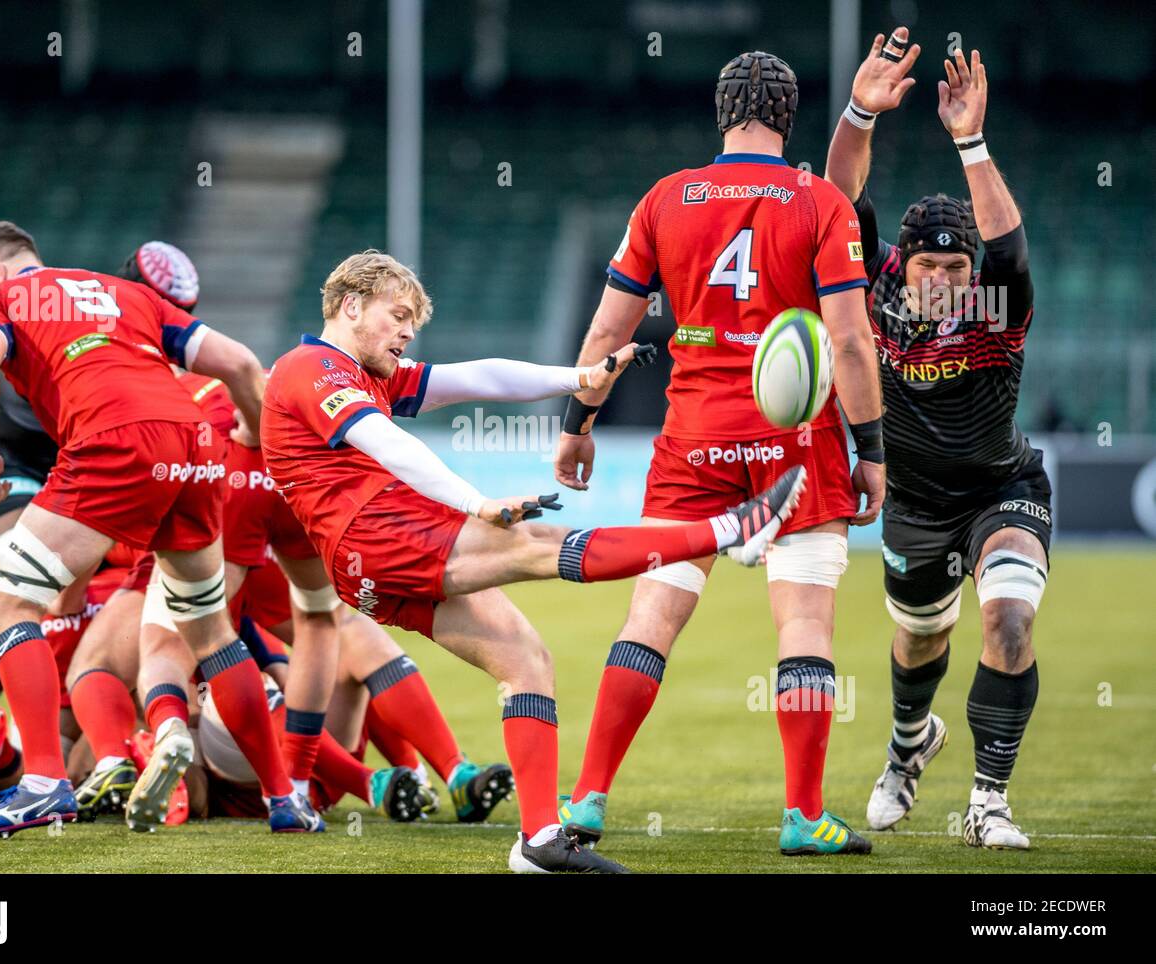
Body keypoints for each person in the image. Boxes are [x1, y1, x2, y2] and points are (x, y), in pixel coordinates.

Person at [261, 250, 806, 872]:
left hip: (364, 557)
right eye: (399, 315)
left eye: (414, 320)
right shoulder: (313, 366)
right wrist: (477, 503)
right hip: (373, 532)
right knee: (539, 545)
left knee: (526, 658)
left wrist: (581, 377)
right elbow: (385, 442)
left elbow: (480, 378)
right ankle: (728, 529)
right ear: (351, 306)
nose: (408, 331)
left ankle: (539, 841)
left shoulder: (367, 372)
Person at [552, 49, 886, 857]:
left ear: (721, 112)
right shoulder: (820, 201)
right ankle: (804, 816)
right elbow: (848, 341)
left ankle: (589, 798)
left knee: (653, 613)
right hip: (796, 444)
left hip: (693, 438)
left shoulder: (667, 198)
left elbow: (606, 333)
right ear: (789, 117)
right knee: (803, 620)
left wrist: (576, 421)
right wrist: (870, 447)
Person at [0, 221, 287, 837]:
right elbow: (240, 362)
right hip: (195, 448)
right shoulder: (123, 291)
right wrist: (257, 431)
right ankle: (286, 799)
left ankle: (46, 784)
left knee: (6, 602)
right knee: (209, 632)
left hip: (115, 444)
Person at [824, 30, 1046, 849]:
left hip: (1001, 489)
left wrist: (971, 141)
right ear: (903, 267)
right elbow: (840, 202)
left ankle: (989, 801)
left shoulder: (998, 307)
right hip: (914, 503)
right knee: (919, 639)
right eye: (932, 270)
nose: (949, 284)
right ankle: (908, 748)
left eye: (959, 272)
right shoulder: (874, 291)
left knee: (1010, 620)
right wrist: (858, 113)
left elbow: (1008, 246)